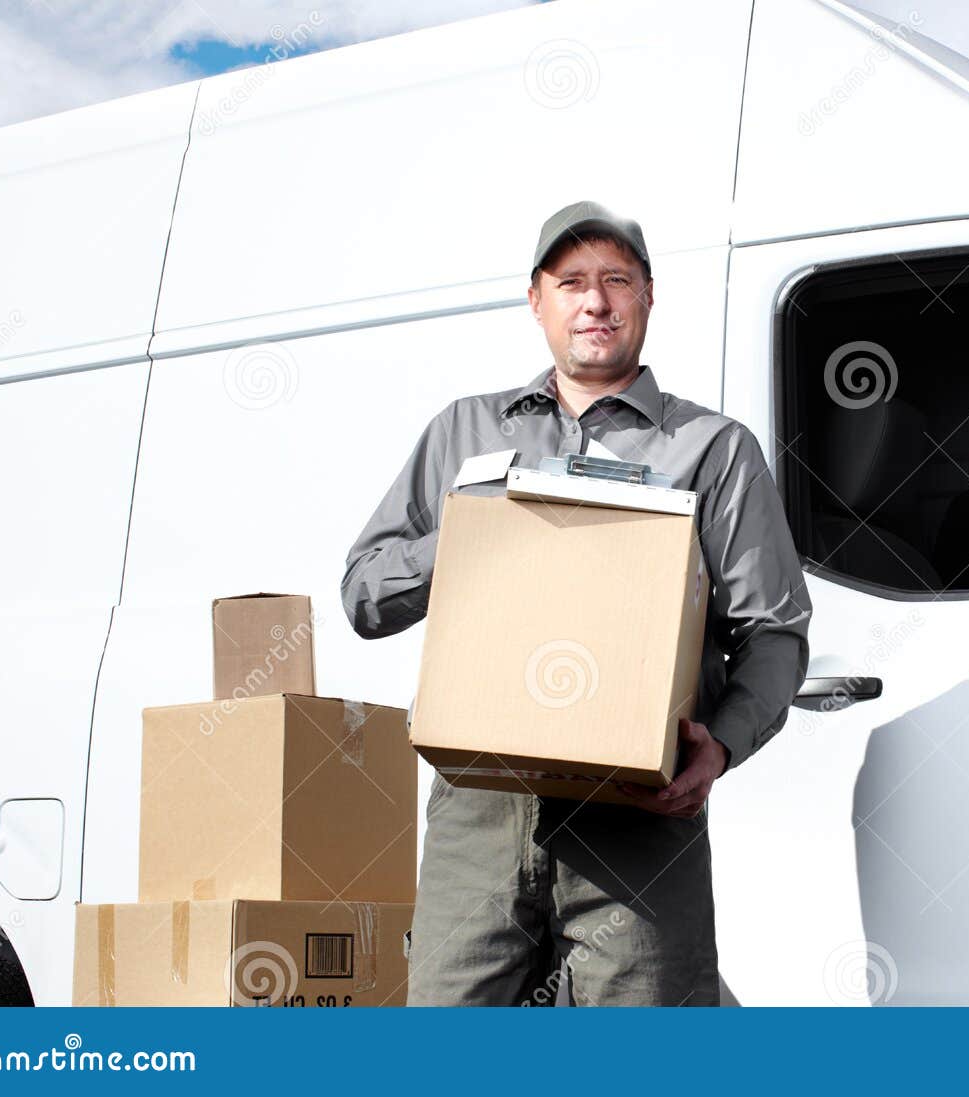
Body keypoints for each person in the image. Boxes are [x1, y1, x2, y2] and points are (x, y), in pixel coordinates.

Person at [341, 200, 812, 1006]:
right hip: (478, 819)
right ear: (537, 301)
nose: (595, 302)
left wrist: (720, 748)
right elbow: (365, 595)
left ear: (648, 297)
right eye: (571, 283)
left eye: (616, 280)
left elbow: (773, 633)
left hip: (639, 820)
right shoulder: (464, 432)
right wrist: (470, 527)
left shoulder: (714, 449)